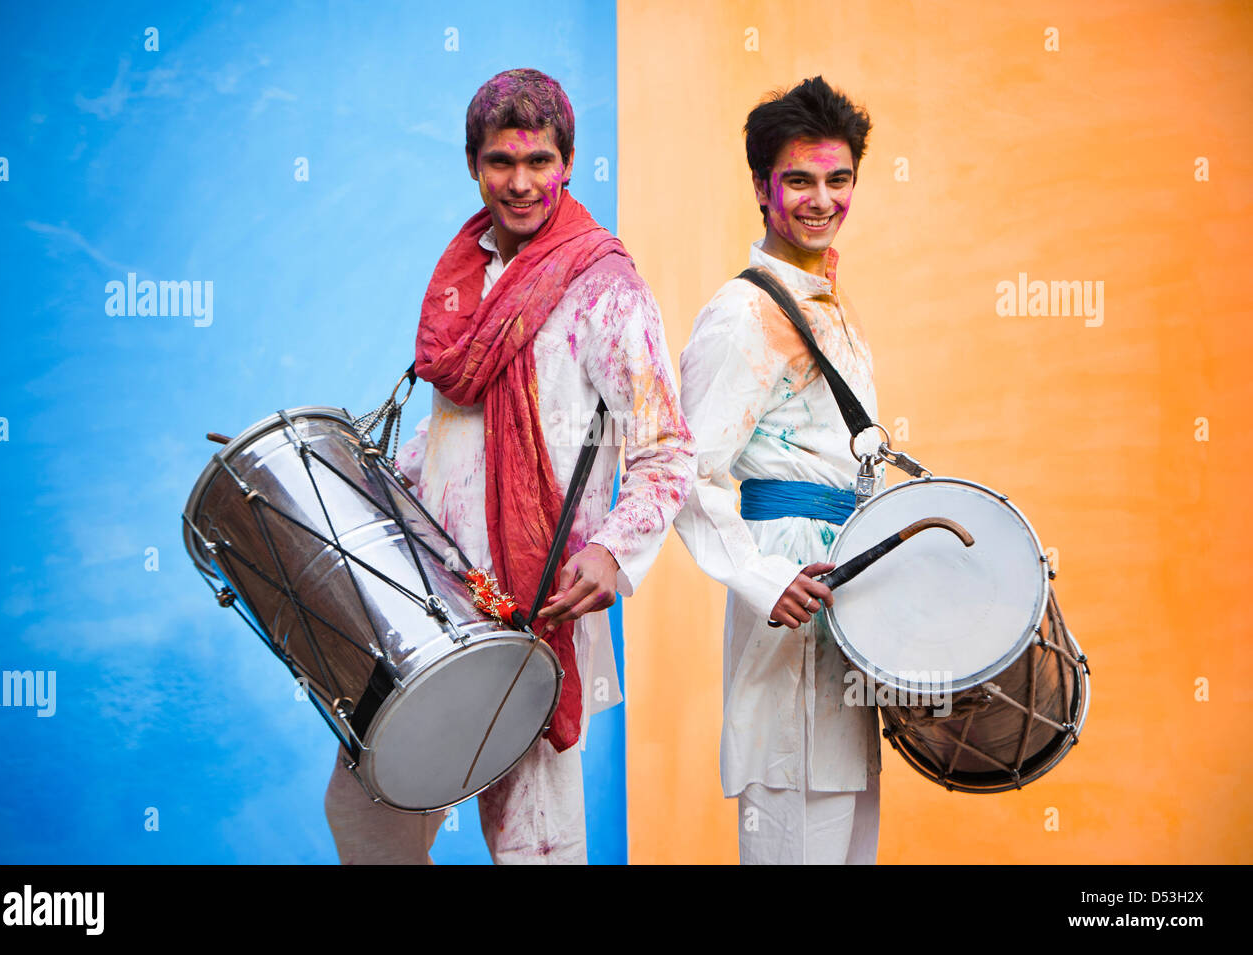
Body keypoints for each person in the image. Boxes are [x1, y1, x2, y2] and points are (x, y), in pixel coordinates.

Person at [323, 68, 695, 865]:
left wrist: (612, 551)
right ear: (472, 164)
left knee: (535, 848)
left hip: (533, 611)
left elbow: (665, 451)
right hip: (430, 599)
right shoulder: (461, 283)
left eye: (538, 161)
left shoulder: (606, 288)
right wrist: (379, 476)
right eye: (500, 162)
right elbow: (461, 436)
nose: (520, 183)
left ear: (568, 163)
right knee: (366, 813)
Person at [673, 76, 884, 865]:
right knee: (797, 827)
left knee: (845, 835)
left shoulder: (829, 301)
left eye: (838, 179)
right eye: (798, 179)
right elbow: (682, 471)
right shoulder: (744, 313)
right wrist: (764, 578)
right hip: (793, 597)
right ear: (762, 188)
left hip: (847, 604)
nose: (820, 199)